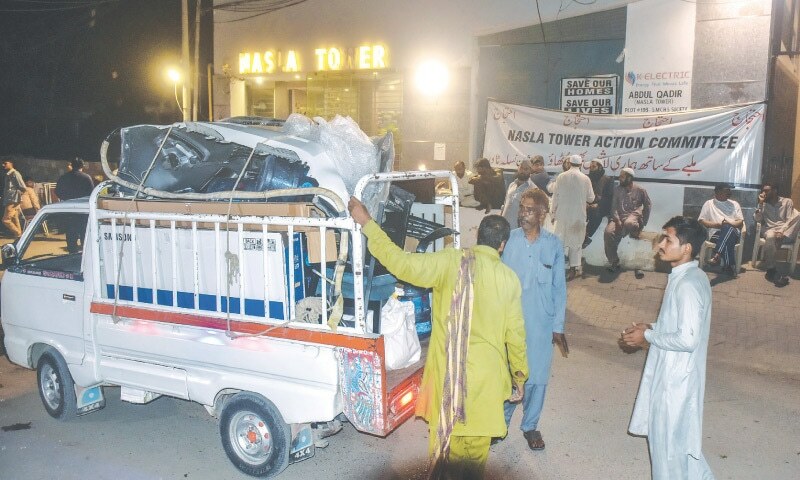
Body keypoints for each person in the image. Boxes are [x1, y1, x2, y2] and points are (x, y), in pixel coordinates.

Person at [348, 197, 528, 479]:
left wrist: (367, 224)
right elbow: (515, 337)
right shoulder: (509, 279)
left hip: (449, 390)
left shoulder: (449, 262)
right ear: (502, 244)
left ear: (476, 236)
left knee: (442, 464)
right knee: (473, 466)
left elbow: (400, 262)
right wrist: (519, 377)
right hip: (484, 389)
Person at [622, 216, 714, 480]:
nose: (660, 244)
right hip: (675, 377)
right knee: (683, 453)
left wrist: (648, 335)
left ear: (687, 248)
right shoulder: (690, 276)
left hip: (676, 383)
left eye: (668, 239)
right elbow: (678, 324)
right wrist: (649, 325)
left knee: (667, 454)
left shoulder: (687, 285)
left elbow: (687, 339)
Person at [501, 189, 567, 451]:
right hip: (511, 322)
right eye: (521, 209)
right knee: (509, 374)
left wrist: (558, 326)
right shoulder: (509, 241)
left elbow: (559, 288)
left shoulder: (553, 244)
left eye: (529, 210)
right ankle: (500, 423)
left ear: (542, 214)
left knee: (537, 377)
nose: (523, 214)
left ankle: (530, 426)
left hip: (541, 323)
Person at [551, 154, 595, 280]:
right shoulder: (585, 179)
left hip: (563, 215)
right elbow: (591, 199)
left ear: (569, 163)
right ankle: (573, 269)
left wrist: (552, 213)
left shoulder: (561, 177)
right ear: (581, 165)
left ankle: (557, 268)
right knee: (575, 243)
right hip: (578, 216)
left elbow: (555, 197)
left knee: (560, 241)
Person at [604, 167, 651, 278]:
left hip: (633, 216)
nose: (620, 178)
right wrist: (617, 220)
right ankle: (614, 261)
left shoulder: (640, 190)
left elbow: (648, 205)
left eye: (622, 176)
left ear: (629, 178)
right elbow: (614, 207)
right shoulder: (617, 189)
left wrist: (643, 224)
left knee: (629, 223)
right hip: (618, 218)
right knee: (608, 233)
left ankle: (634, 230)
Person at [753, 182, 800, 287]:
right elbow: (758, 219)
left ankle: (772, 272)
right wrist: (760, 204)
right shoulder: (763, 204)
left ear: (775, 191)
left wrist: (782, 232)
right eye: (763, 190)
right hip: (770, 229)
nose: (763, 193)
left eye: (766, 190)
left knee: (798, 216)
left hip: (786, 230)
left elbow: (790, 219)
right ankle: (771, 269)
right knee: (770, 236)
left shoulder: (787, 201)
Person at [698, 184, 744, 277]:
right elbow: (701, 220)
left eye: (729, 191)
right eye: (727, 191)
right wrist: (717, 225)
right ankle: (729, 266)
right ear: (717, 192)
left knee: (728, 228)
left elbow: (740, 222)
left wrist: (729, 224)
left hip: (734, 232)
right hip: (716, 233)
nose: (729, 193)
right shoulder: (709, 203)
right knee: (727, 238)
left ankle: (717, 253)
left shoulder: (735, 204)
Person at [56, 158, 95, 253]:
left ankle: (72, 253)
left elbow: (57, 192)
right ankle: (86, 254)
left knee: (70, 233)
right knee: (84, 232)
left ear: (71, 166)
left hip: (68, 209)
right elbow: (92, 193)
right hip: (83, 209)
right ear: (82, 166)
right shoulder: (86, 177)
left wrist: (67, 198)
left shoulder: (63, 177)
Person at [584, 159, 615, 249]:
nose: (591, 169)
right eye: (590, 167)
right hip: (587, 204)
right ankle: (581, 237)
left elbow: (609, 197)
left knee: (596, 214)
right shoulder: (587, 178)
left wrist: (598, 204)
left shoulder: (608, 179)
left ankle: (586, 236)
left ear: (600, 167)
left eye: (594, 167)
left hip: (601, 206)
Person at [500, 159, 538, 227]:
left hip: (518, 230)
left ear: (530, 171)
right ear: (518, 168)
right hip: (504, 228)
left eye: (526, 169)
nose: (523, 171)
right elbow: (505, 205)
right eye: (521, 168)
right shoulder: (512, 185)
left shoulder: (533, 189)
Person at [2, 159, 26, 238]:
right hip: (10, 199)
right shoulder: (8, 174)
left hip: (13, 200)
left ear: (11, 163)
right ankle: (19, 237)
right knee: (15, 219)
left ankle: (18, 233)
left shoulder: (15, 173)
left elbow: (23, 187)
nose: (3, 165)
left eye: (5, 163)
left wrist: (17, 196)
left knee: (6, 220)